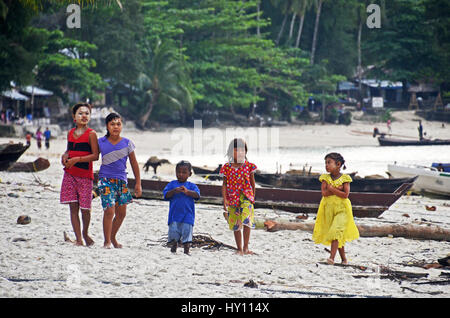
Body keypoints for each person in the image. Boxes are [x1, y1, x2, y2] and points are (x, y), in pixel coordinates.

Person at [97, 112, 142, 249]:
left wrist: (138, 184)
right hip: (105, 180)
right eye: (112, 124)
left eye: (118, 124)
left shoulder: (127, 143)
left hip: (122, 181)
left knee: (121, 213)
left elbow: (134, 164)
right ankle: (107, 241)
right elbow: (90, 155)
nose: (115, 127)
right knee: (109, 211)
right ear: (107, 126)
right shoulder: (100, 142)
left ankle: (113, 237)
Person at [60, 103, 99, 246]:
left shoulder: (91, 134)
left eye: (87, 113)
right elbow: (68, 150)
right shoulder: (70, 133)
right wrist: (64, 156)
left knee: (85, 209)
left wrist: (77, 159)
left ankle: (85, 233)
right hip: (69, 174)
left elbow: (95, 156)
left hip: (85, 176)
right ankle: (78, 239)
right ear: (74, 117)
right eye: (80, 113)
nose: (84, 116)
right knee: (73, 207)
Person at [312, 152, 359, 265]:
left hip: (342, 209)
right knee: (337, 236)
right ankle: (344, 259)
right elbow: (324, 193)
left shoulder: (345, 178)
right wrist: (336, 189)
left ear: (338, 164)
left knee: (336, 231)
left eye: (329, 162)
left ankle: (331, 258)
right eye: (325, 163)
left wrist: (332, 189)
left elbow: (345, 195)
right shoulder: (325, 178)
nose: (326, 165)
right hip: (328, 209)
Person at [220, 138, 257, 255]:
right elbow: (224, 184)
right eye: (237, 150)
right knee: (235, 223)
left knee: (247, 221)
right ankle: (239, 248)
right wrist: (225, 199)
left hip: (246, 197)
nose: (240, 152)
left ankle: (246, 247)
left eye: (243, 150)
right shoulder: (226, 167)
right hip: (232, 198)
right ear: (231, 152)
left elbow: (252, 184)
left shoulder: (249, 166)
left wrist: (252, 198)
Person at [163, 160, 200, 255]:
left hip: (188, 216)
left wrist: (187, 192)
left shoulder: (192, 186)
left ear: (190, 174)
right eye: (178, 172)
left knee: (187, 236)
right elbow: (166, 195)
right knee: (174, 235)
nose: (181, 174)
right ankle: (173, 249)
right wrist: (174, 191)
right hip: (174, 216)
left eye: (184, 172)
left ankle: (186, 250)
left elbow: (197, 196)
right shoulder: (172, 184)